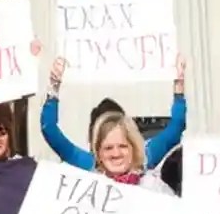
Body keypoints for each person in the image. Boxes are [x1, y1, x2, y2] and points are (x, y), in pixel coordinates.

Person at [40, 54, 188, 170]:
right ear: (97, 152)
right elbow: (50, 130)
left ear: (133, 146)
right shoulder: (91, 166)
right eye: (108, 148)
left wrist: (179, 83)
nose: (116, 154)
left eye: (123, 146)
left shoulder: (145, 158)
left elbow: (176, 126)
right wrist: (54, 86)